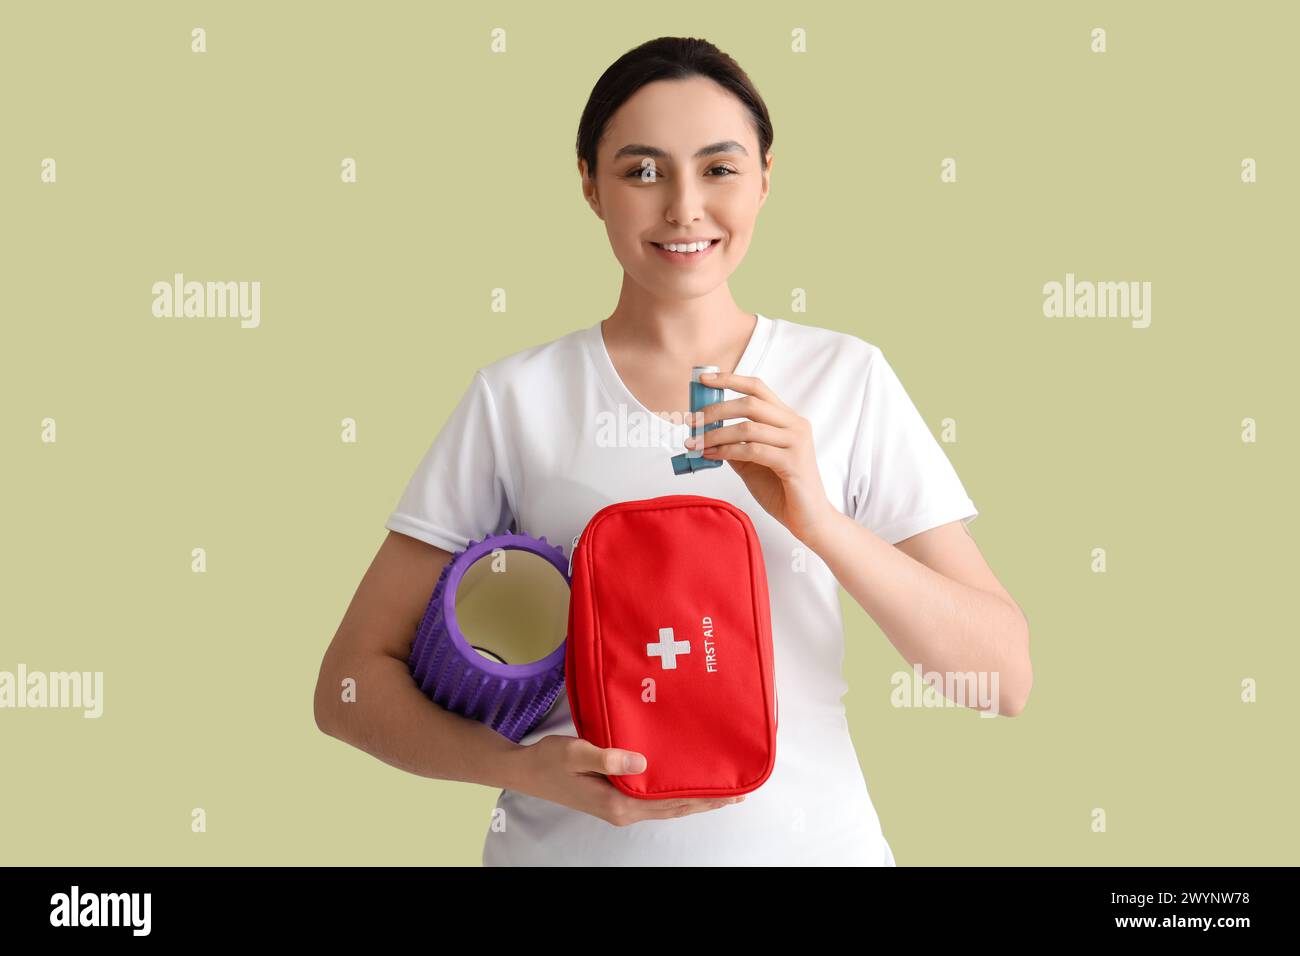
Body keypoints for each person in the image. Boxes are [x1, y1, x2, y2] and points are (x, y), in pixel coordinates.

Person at [313, 36, 1032, 866]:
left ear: (766, 177)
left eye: (719, 169)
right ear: (589, 184)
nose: (684, 207)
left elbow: (1003, 678)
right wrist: (519, 769)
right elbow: (349, 687)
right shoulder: (517, 400)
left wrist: (821, 521)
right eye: (642, 170)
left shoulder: (846, 379)